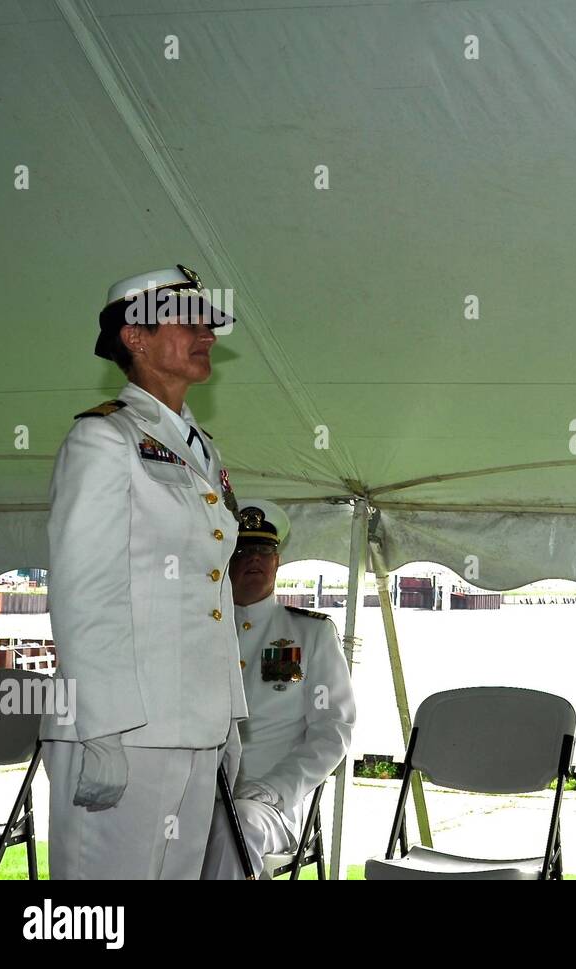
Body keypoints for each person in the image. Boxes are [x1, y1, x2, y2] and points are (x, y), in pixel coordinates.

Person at [43, 265, 247, 878]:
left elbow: (209, 595)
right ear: (135, 337)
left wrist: (228, 717)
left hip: (193, 726)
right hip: (125, 728)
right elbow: (85, 594)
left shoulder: (199, 447)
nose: (207, 332)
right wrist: (99, 730)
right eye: (189, 320)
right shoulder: (103, 441)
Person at [201, 499, 356, 879]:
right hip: (194, 793)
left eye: (264, 550)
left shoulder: (312, 633)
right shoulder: (198, 633)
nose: (254, 558)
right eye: (242, 550)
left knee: (233, 827)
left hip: (268, 805)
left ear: (278, 561)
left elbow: (333, 731)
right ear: (223, 559)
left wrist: (276, 787)